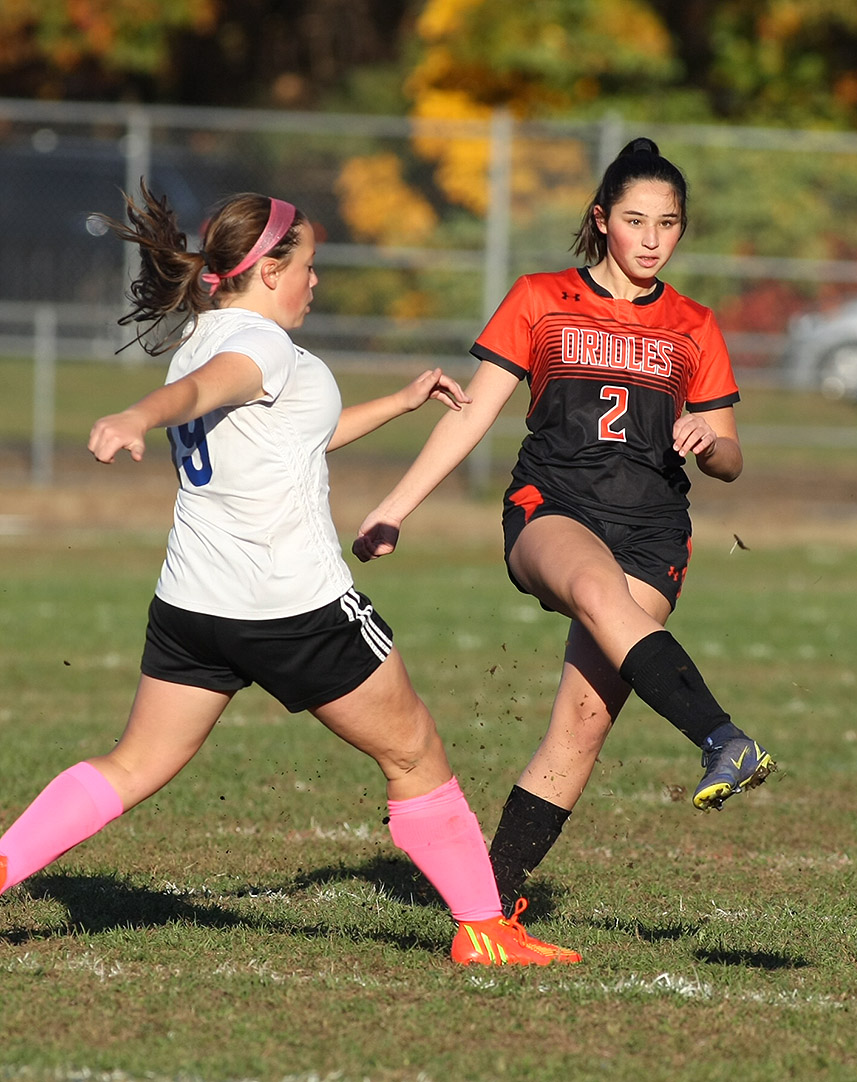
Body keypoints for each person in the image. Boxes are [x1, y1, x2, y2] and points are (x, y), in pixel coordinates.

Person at [0, 183, 580, 967]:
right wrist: (139, 415)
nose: (317, 281)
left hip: (193, 606)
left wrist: (400, 402)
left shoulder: (203, 332)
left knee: (132, 764)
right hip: (294, 608)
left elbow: (286, 437)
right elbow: (210, 390)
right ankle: (483, 930)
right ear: (269, 270)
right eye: (309, 264)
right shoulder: (255, 347)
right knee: (414, 754)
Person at [353, 138, 777, 913]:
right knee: (591, 584)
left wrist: (710, 443)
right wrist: (393, 507)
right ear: (601, 220)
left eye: (669, 224)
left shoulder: (694, 324)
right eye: (636, 220)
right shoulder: (539, 297)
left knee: (580, 728)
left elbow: (732, 458)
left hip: (654, 528)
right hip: (554, 507)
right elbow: (473, 413)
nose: (652, 239)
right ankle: (721, 737)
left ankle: (489, 907)